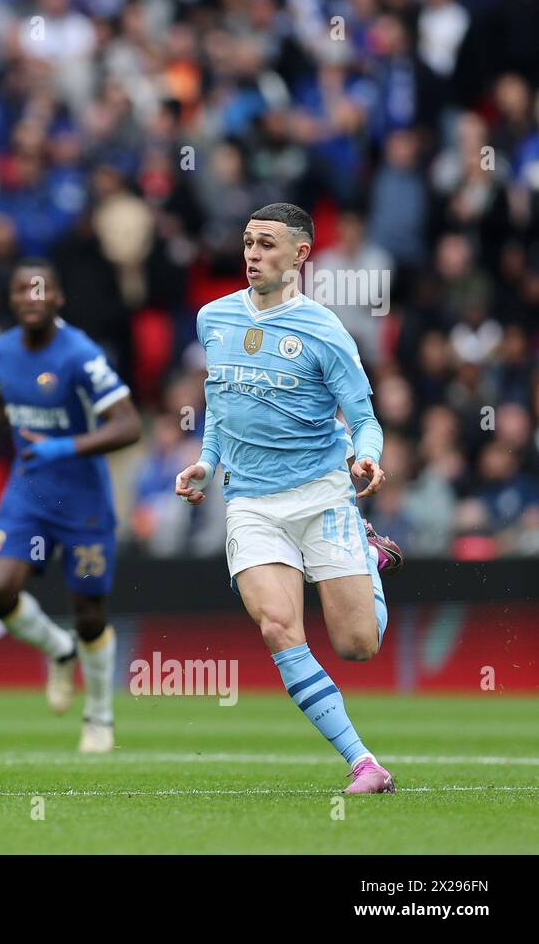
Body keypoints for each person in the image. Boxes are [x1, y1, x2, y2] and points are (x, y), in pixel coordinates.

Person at [174, 203, 402, 795]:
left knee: (358, 646)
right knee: (278, 625)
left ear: (300, 254)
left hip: (322, 494)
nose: (253, 253)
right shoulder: (213, 318)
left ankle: (369, 561)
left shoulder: (325, 330)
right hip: (250, 502)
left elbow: (364, 419)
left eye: (268, 244)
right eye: (248, 242)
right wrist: (207, 461)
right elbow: (220, 406)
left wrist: (366, 457)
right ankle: (363, 764)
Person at [0, 259, 141, 752]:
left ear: (58, 299)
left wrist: (66, 446)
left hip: (83, 499)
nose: (32, 297)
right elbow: (1, 401)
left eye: (42, 289)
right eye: (22, 289)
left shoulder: (81, 354)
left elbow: (128, 424)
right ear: (11, 299)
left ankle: (99, 715)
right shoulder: (0, 351)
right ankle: (58, 648)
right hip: (28, 493)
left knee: (91, 613)